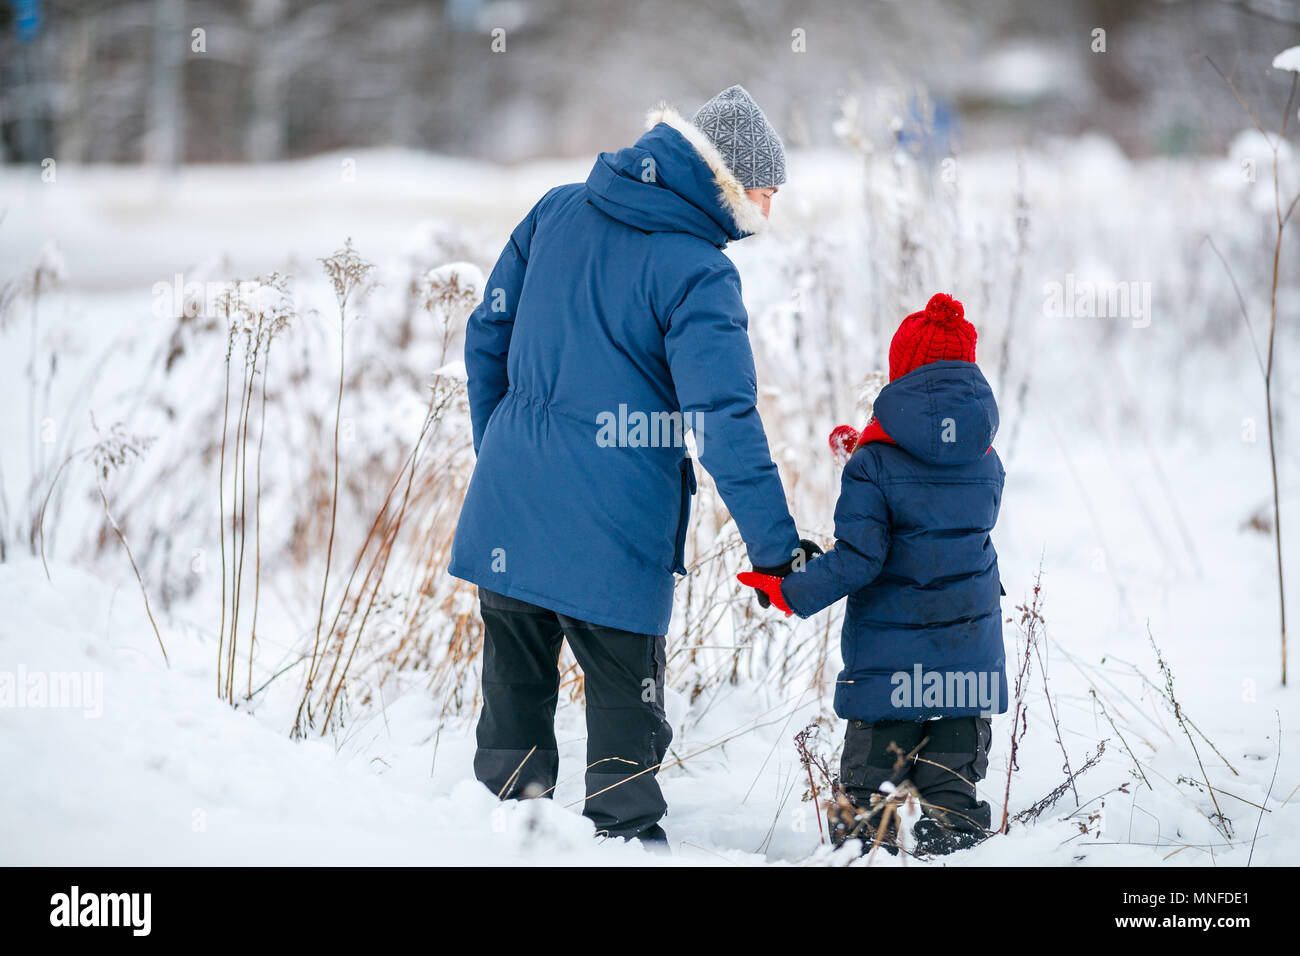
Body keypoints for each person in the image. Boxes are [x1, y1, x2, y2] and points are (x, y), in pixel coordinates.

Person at [449, 85, 815, 846]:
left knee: (511, 725)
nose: (768, 214)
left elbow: (486, 337)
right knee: (625, 743)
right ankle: (626, 848)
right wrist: (777, 550)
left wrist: (510, 452)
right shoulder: (698, 271)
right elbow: (724, 422)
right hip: (614, 533)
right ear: (728, 182)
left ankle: (506, 844)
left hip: (509, 511)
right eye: (766, 193)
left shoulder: (555, 209)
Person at [740, 293, 1008, 856]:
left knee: (864, 812)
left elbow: (863, 558)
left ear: (901, 372)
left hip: (890, 675)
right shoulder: (985, 460)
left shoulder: (873, 466)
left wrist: (791, 591)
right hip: (967, 669)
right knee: (953, 811)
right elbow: (936, 516)